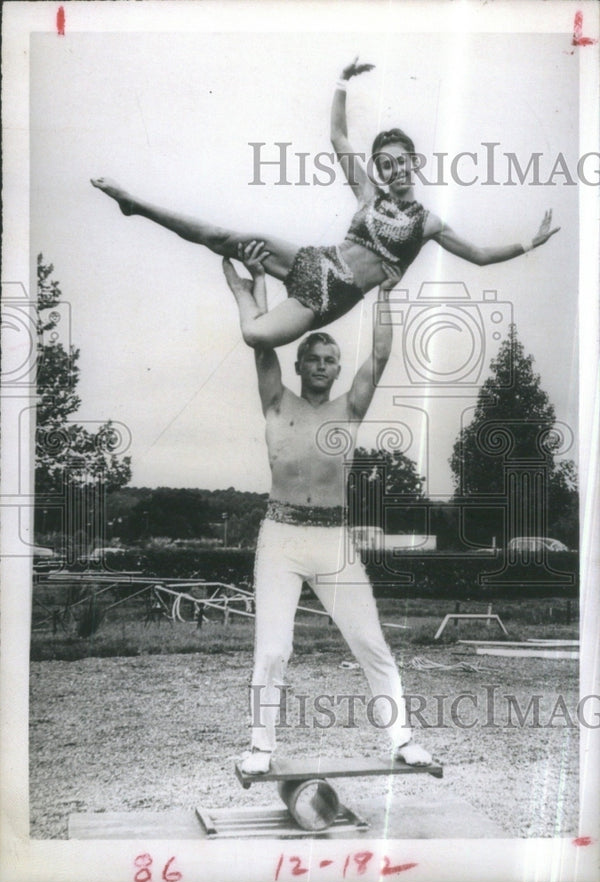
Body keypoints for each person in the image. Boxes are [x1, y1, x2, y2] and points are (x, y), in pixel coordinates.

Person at [91, 59, 560, 351]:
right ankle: (136, 204)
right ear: (379, 172)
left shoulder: (428, 223)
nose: (394, 169)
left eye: (401, 161)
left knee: (255, 336)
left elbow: (479, 256)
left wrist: (528, 243)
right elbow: (337, 136)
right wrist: (342, 80)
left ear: (414, 162)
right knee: (222, 237)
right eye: (385, 164)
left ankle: (247, 290)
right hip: (312, 261)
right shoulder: (368, 195)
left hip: (330, 298)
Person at [222, 241, 431, 775]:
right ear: (298, 364)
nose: (320, 365)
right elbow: (260, 343)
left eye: (329, 360)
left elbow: (379, 357)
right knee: (273, 649)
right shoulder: (277, 402)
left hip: (334, 541)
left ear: (338, 369)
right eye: (312, 358)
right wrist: (255, 284)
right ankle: (260, 748)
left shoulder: (349, 409)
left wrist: (385, 294)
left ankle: (403, 739)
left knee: (370, 642)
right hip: (281, 538)